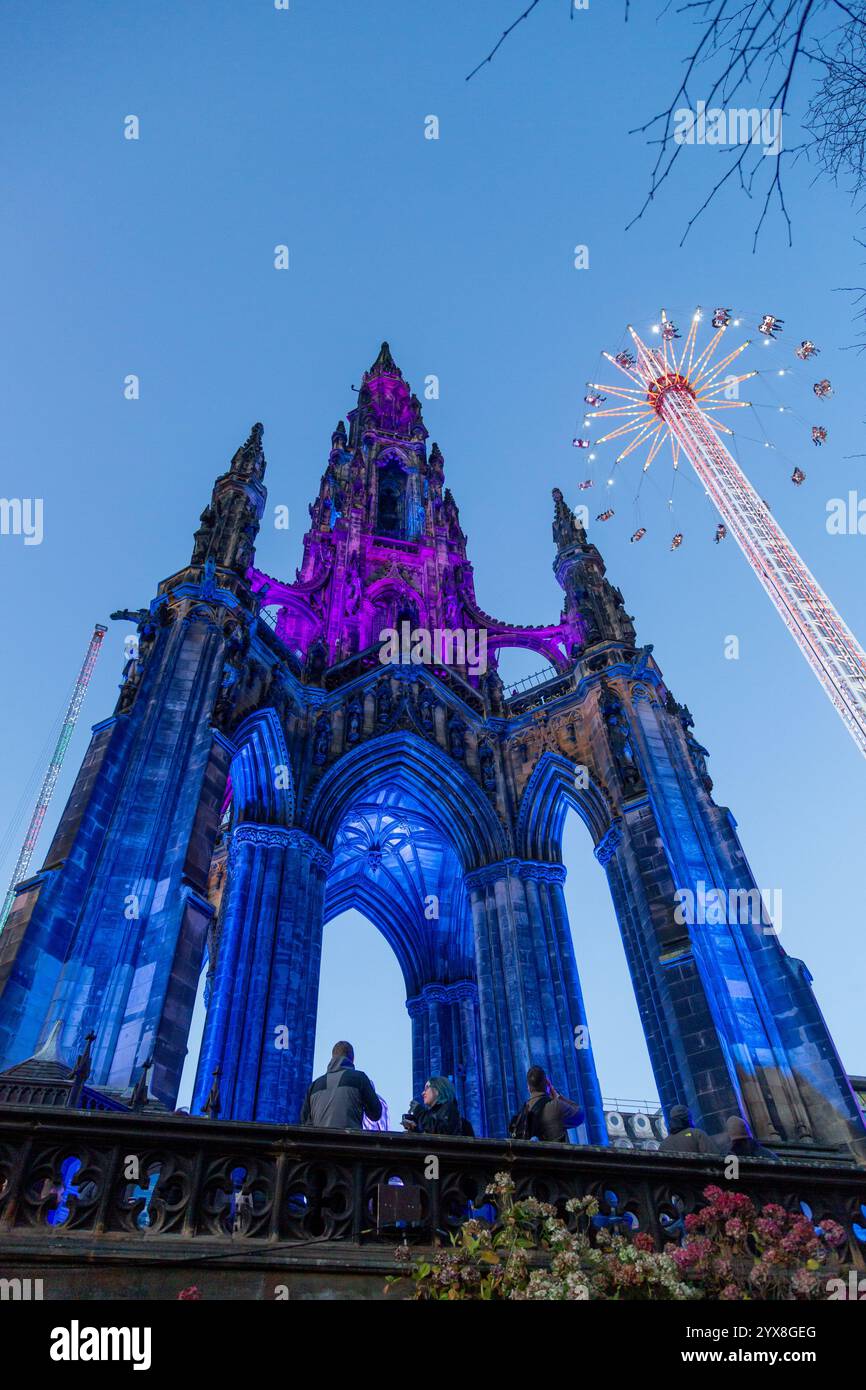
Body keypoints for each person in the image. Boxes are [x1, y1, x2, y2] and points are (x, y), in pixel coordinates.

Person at [300, 1041, 382, 1130]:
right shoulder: (360, 1079)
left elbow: (305, 1124)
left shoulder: (314, 1086)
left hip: (319, 1142)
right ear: (352, 1059)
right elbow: (376, 1114)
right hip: (350, 1142)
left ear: (332, 1057)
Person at [509, 1066, 583, 1143]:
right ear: (546, 1083)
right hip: (555, 1154)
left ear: (528, 1087)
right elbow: (580, 1116)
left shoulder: (521, 1115)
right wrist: (557, 1095)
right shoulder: (556, 1106)